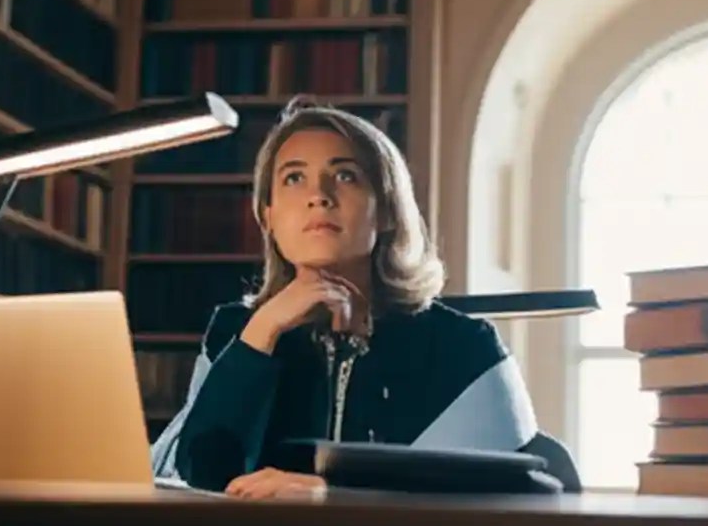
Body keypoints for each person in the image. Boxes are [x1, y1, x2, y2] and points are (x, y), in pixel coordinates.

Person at [149, 96, 539, 498]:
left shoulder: (464, 346)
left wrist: (336, 495)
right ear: (267, 217)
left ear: (387, 210)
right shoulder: (236, 331)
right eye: (293, 179)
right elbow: (203, 475)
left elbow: (523, 491)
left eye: (346, 176)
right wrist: (261, 332)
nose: (318, 195)